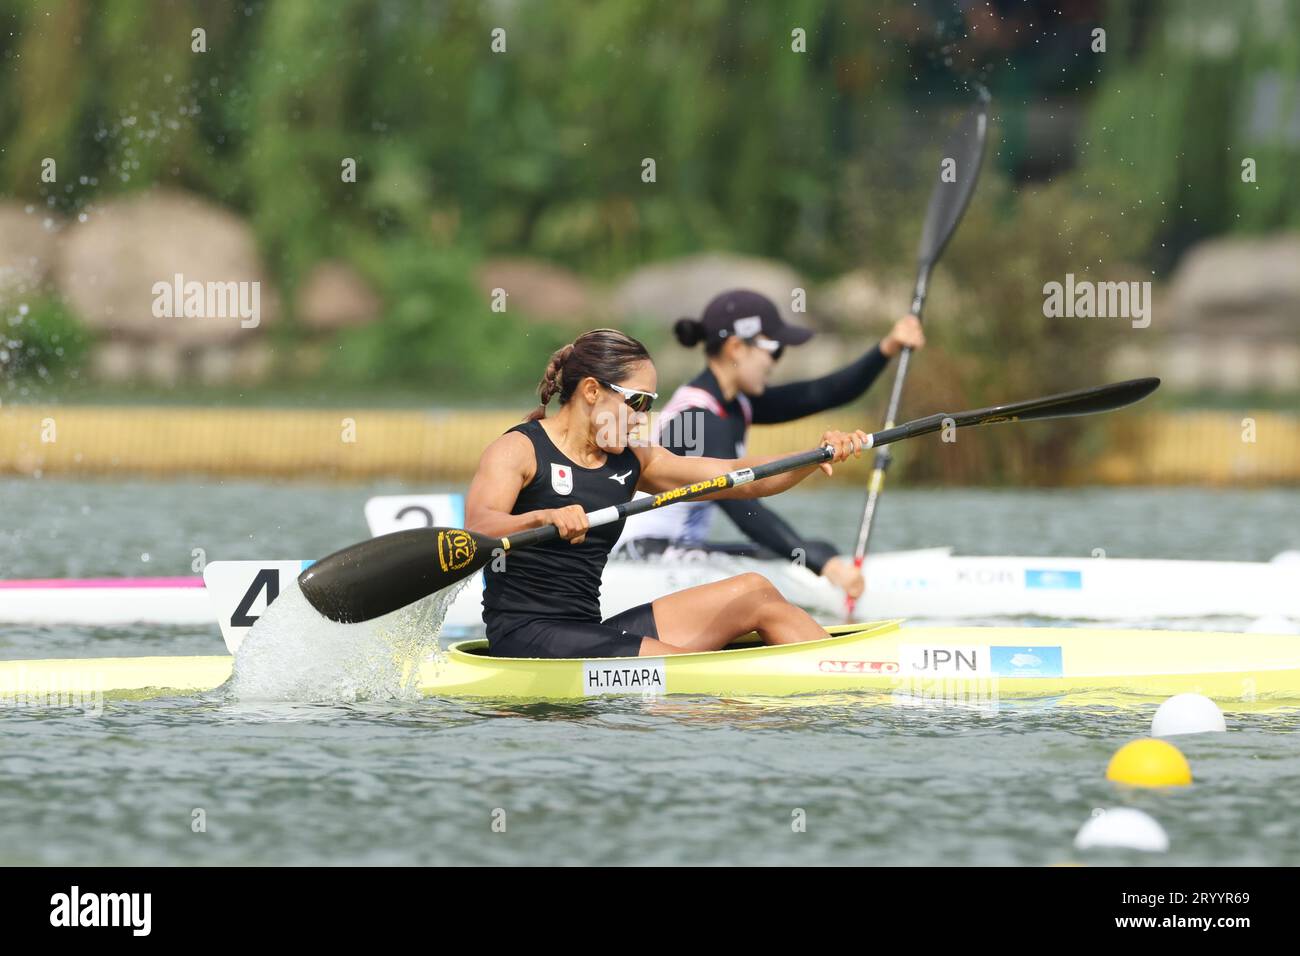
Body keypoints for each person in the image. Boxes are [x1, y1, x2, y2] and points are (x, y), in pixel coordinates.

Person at [464, 328, 869, 659]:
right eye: (637, 402)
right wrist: (542, 517)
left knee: (754, 590)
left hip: (587, 630)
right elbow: (478, 529)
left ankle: (843, 674)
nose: (644, 418)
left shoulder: (632, 459)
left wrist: (817, 455)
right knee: (683, 670)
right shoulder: (519, 449)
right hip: (526, 639)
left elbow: (736, 477)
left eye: (650, 405)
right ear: (591, 391)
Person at [615, 289, 924, 598]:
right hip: (645, 556)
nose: (775, 362)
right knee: (810, 553)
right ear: (736, 348)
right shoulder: (697, 418)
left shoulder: (736, 403)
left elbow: (824, 393)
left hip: (676, 552)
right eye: (774, 350)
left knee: (811, 550)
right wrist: (817, 562)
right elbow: (740, 503)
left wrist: (888, 347)